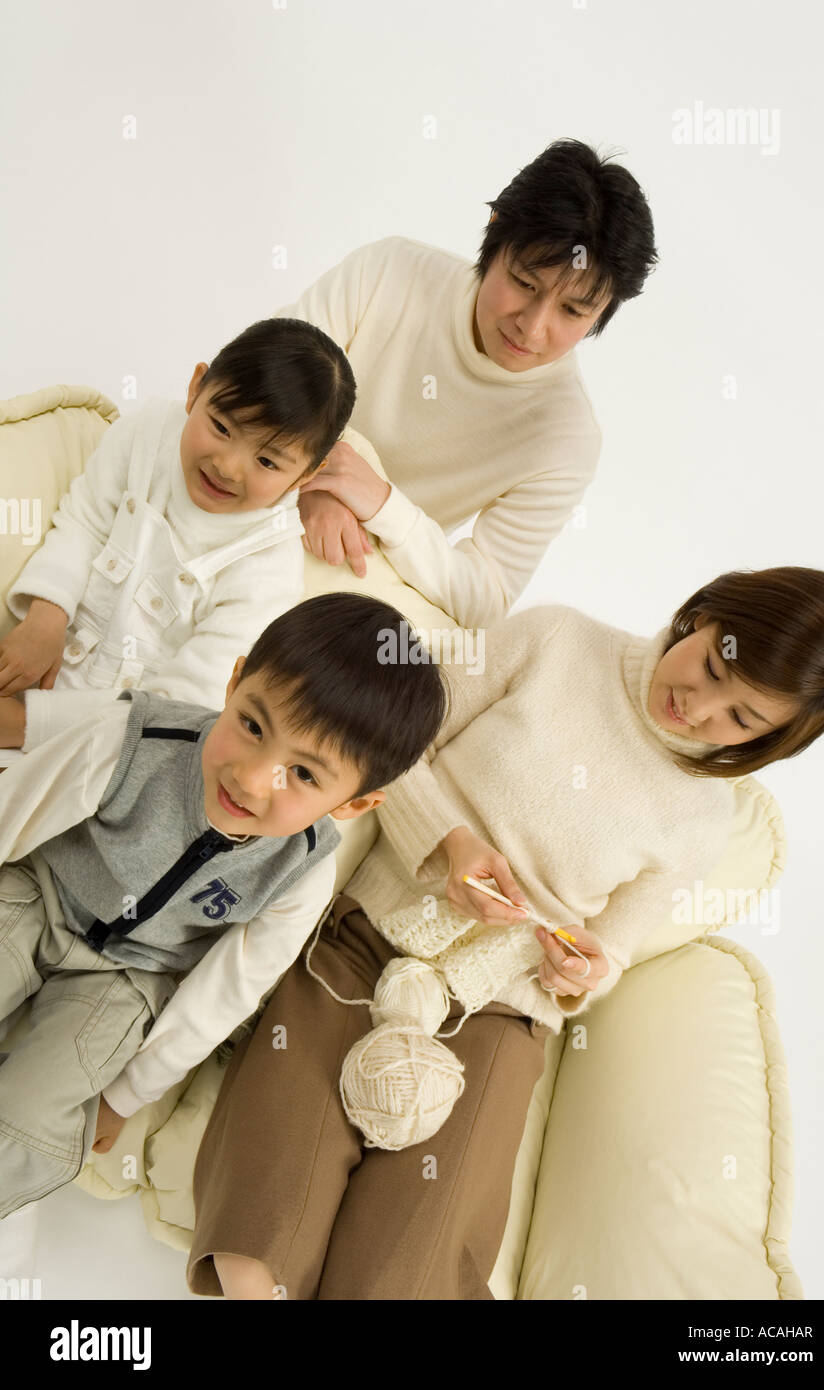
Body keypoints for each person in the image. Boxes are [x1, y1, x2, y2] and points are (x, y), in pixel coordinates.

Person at [182, 566, 824, 1299]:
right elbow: (379, 747)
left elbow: (612, 952)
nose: (699, 709)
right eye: (712, 667)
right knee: (264, 1228)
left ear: (772, 739)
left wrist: (583, 971)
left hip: (499, 1013)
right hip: (362, 946)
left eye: (741, 719)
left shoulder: (702, 819)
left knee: (411, 1261)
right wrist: (445, 845)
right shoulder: (554, 640)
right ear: (700, 617)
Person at [0, 595, 448, 1267]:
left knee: (29, 1126)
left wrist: (128, 1095)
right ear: (235, 681)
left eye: (302, 774)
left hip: (128, 979)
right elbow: (18, 807)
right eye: (251, 725)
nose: (250, 775)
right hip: (40, 895)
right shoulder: (135, 740)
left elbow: (224, 993)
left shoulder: (299, 873)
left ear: (353, 805)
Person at [273, 138, 659, 628]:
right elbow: (267, 368)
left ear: (603, 312)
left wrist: (381, 505)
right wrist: (320, 480)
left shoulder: (565, 437)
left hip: (363, 576)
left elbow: (483, 597)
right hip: (264, 480)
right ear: (495, 232)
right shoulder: (390, 272)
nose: (532, 326)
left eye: (573, 311)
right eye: (524, 283)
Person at [0, 317, 355, 766]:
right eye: (222, 427)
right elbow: (85, 521)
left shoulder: (269, 568)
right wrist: (45, 619)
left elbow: (182, 705)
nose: (227, 466)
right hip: (32, 672)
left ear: (304, 477)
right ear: (195, 389)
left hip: (115, 754)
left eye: (266, 461)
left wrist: (25, 725)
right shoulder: (146, 434)